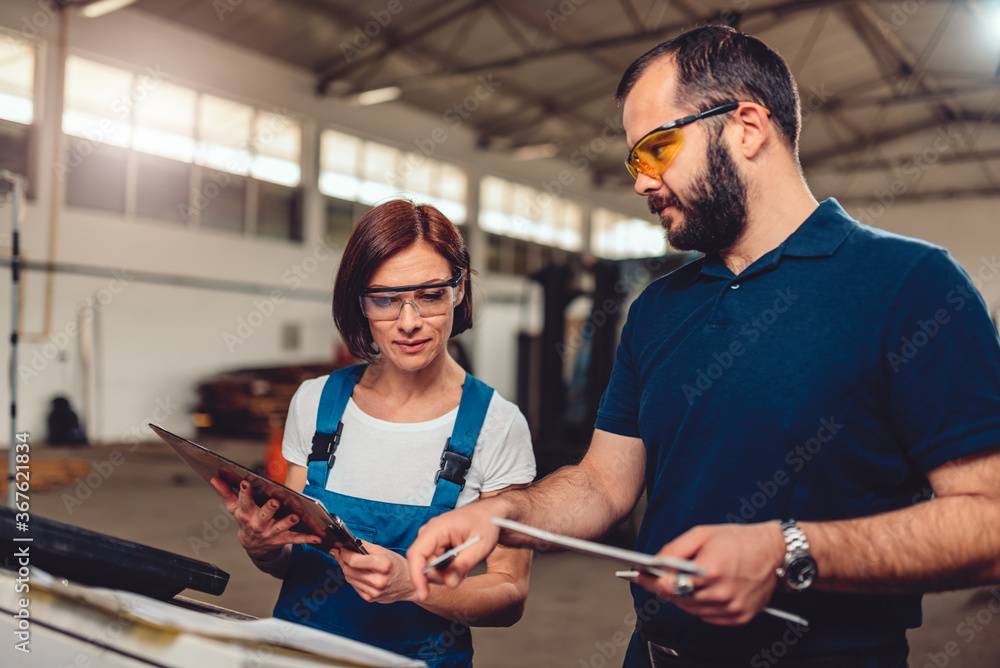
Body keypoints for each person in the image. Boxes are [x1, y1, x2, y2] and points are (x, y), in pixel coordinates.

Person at [406, 25, 1000, 667]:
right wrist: (506, 513)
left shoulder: (909, 285)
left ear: (746, 126)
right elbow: (604, 485)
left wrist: (788, 551)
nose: (641, 182)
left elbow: (988, 520)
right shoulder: (659, 308)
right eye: (634, 160)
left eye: (657, 148)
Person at [211, 200, 535, 667]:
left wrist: (413, 584)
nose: (408, 322)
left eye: (429, 295)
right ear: (358, 301)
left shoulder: (498, 426)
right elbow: (294, 561)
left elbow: (509, 594)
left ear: (459, 290)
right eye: (384, 299)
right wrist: (262, 547)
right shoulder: (317, 403)